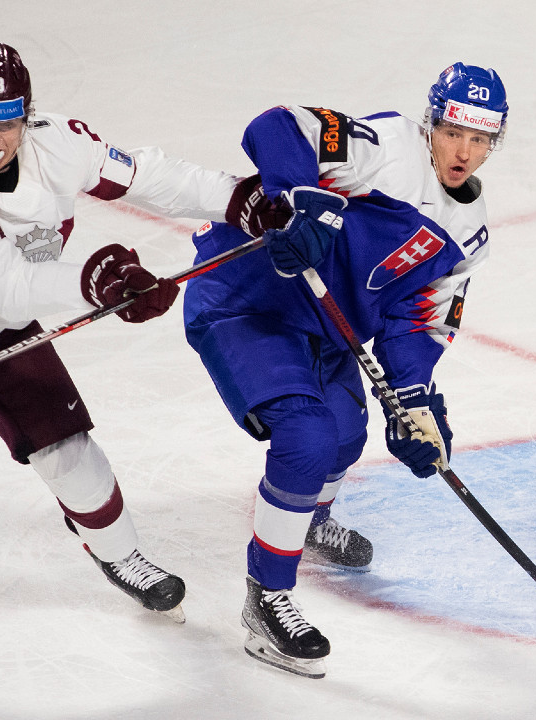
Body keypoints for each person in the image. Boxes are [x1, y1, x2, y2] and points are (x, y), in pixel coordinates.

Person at [0, 43, 277, 694]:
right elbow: (4, 285)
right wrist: (99, 279)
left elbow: (151, 175)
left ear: (27, 114)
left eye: (6, 120)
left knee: (68, 449)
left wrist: (239, 199)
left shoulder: (61, 142)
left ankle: (120, 555)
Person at [182, 62, 507, 678]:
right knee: (305, 439)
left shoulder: (471, 233)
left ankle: (308, 519)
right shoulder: (384, 149)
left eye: (481, 139)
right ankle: (267, 597)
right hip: (246, 300)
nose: (464, 151)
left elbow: (419, 319)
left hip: (325, 331)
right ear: (430, 123)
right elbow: (277, 127)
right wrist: (301, 203)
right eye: (454, 132)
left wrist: (413, 398)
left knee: (346, 437)